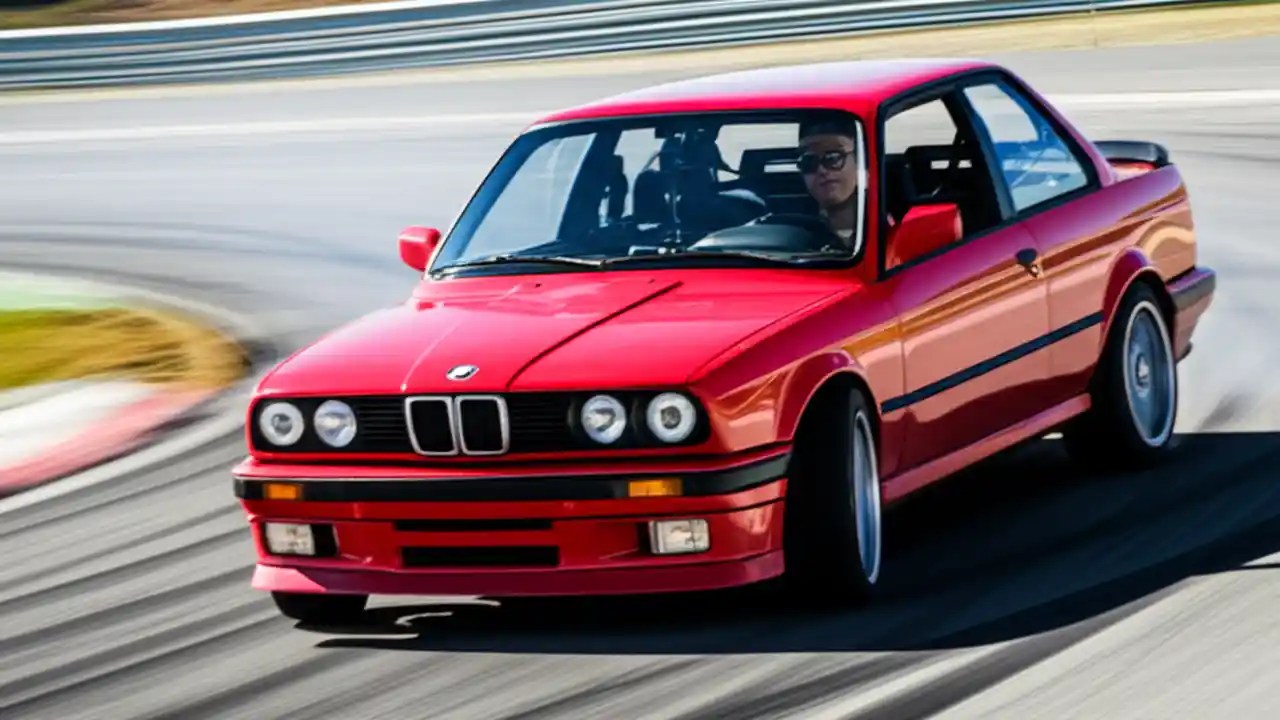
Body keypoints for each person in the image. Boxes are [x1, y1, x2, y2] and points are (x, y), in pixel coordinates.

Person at [796, 114, 862, 252]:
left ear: (860, 161)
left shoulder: (891, 228)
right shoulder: (792, 233)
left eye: (833, 158)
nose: (822, 170)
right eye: (809, 162)